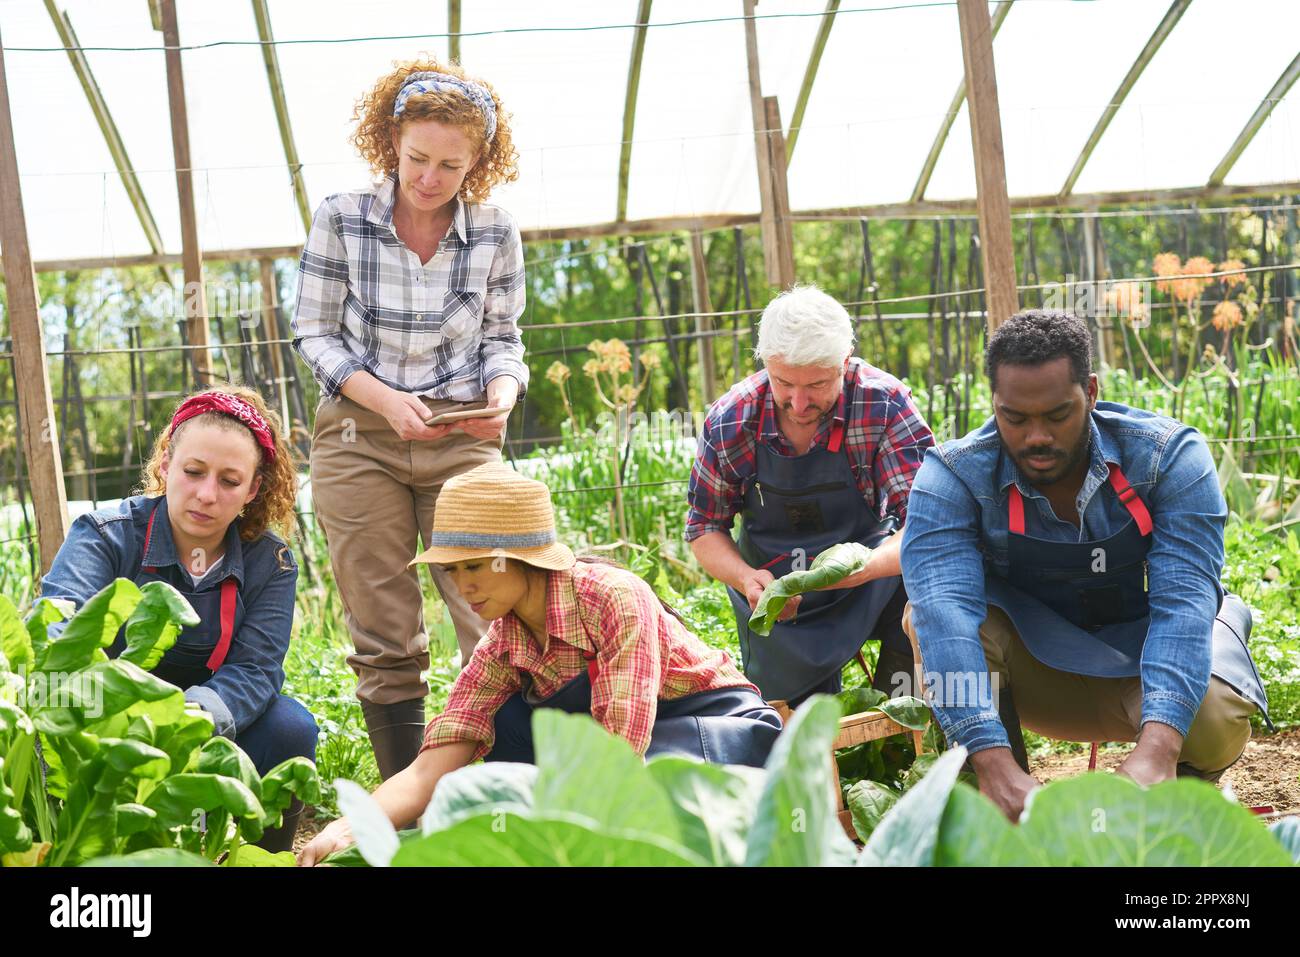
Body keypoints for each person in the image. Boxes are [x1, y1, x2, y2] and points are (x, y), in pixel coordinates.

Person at [297, 463, 782, 865]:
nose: (461, 586)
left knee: (644, 804)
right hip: (623, 758)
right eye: (451, 570)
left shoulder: (612, 598)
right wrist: (349, 828)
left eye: (474, 566)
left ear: (521, 558)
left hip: (713, 732)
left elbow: (619, 753)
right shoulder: (503, 645)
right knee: (503, 728)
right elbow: (430, 768)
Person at [900, 310, 1271, 822]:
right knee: (925, 618)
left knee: (1212, 712)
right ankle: (1001, 801)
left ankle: (1176, 799)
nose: (1036, 437)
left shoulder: (1166, 459)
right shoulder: (955, 478)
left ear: (1091, 392)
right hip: (1038, 676)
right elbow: (945, 614)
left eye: (1057, 415)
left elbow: (1183, 605)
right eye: (1016, 418)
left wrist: (1157, 751)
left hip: (1146, 671)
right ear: (994, 404)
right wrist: (988, 757)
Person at [292, 59, 529, 781]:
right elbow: (313, 333)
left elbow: (503, 338)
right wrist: (388, 400)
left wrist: (504, 391)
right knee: (385, 627)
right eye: (417, 158)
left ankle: (495, 786)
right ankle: (409, 797)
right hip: (361, 436)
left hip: (461, 442)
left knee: (495, 613)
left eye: (450, 165)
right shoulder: (342, 217)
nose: (429, 177)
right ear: (390, 141)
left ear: (478, 161)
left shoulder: (494, 232)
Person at [40, 384, 318, 852]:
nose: (206, 494)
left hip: (211, 725)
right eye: (193, 472)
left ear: (252, 489)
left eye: (229, 481)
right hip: (103, 727)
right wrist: (128, 722)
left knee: (290, 727)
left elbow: (256, 671)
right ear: (167, 464)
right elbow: (59, 636)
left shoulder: (270, 562)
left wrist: (180, 721)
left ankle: (262, 858)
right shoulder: (104, 538)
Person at [686, 285, 935, 706]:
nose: (799, 403)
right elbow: (704, 528)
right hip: (774, 589)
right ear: (765, 362)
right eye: (784, 383)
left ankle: (898, 732)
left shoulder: (884, 404)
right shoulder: (731, 420)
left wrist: (869, 567)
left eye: (817, 385)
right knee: (793, 729)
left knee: (924, 592)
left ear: (844, 361)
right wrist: (747, 579)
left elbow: (926, 522)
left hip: (868, 573)